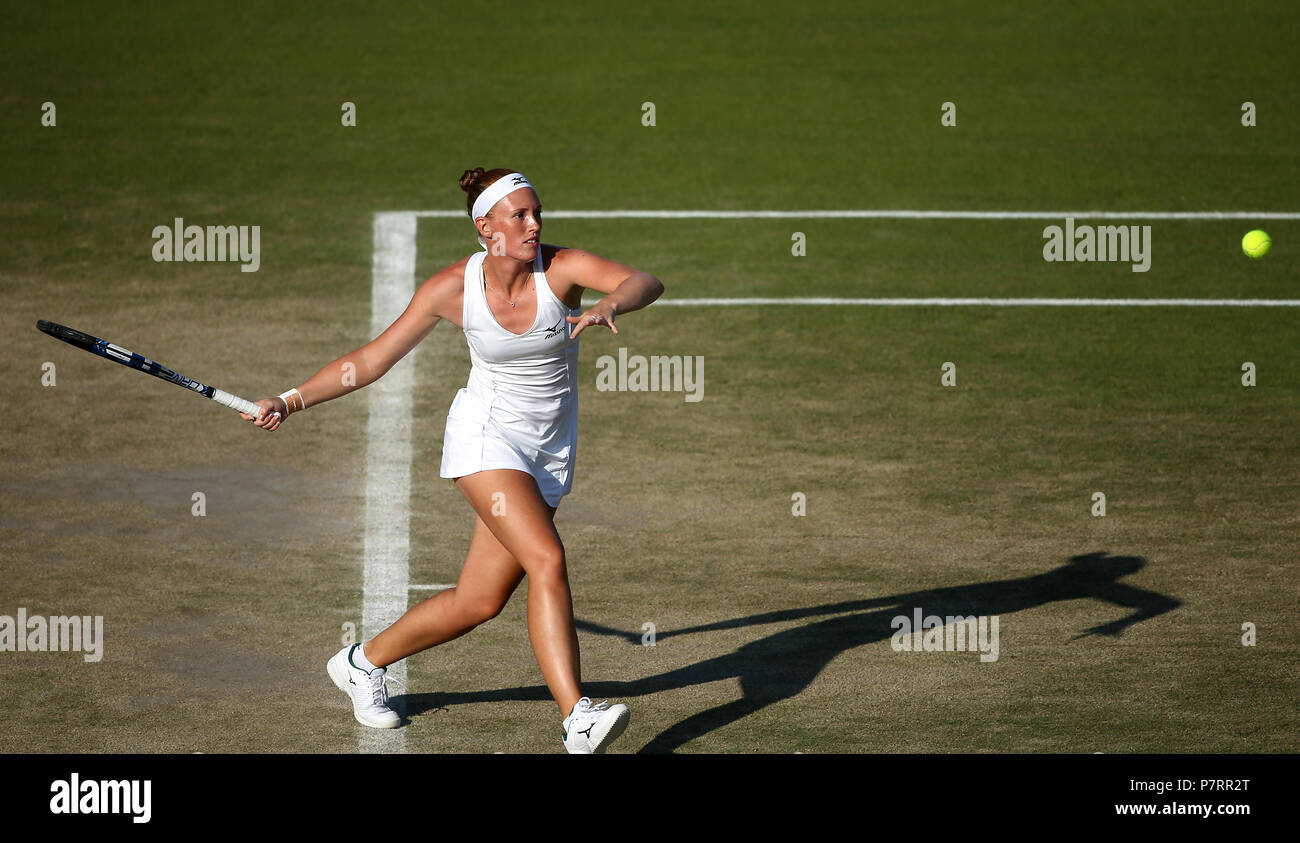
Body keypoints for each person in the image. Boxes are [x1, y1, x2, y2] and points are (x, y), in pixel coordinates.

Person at [243, 168, 663, 753]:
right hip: (486, 440)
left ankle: (362, 663)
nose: (534, 224)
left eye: (536, 212)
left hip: (548, 452)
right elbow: (371, 359)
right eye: (519, 215)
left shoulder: (561, 268)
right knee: (546, 557)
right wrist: (289, 401)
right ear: (484, 226)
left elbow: (645, 280)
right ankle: (577, 716)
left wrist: (613, 301)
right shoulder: (451, 289)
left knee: (478, 602)